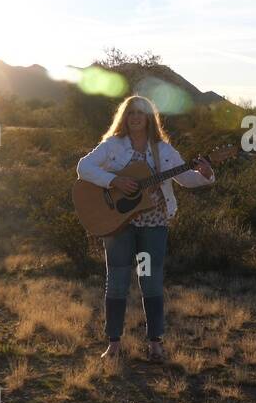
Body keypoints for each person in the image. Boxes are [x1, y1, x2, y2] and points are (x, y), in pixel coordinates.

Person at [75, 95, 214, 361]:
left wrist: (205, 175)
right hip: (117, 225)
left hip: (153, 225)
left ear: (150, 117)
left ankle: (155, 344)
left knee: (150, 281)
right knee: (116, 282)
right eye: (131, 113)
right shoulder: (112, 145)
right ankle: (113, 344)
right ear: (124, 117)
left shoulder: (164, 150)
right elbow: (84, 167)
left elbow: (186, 179)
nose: (135, 117)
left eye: (141, 113)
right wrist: (114, 181)